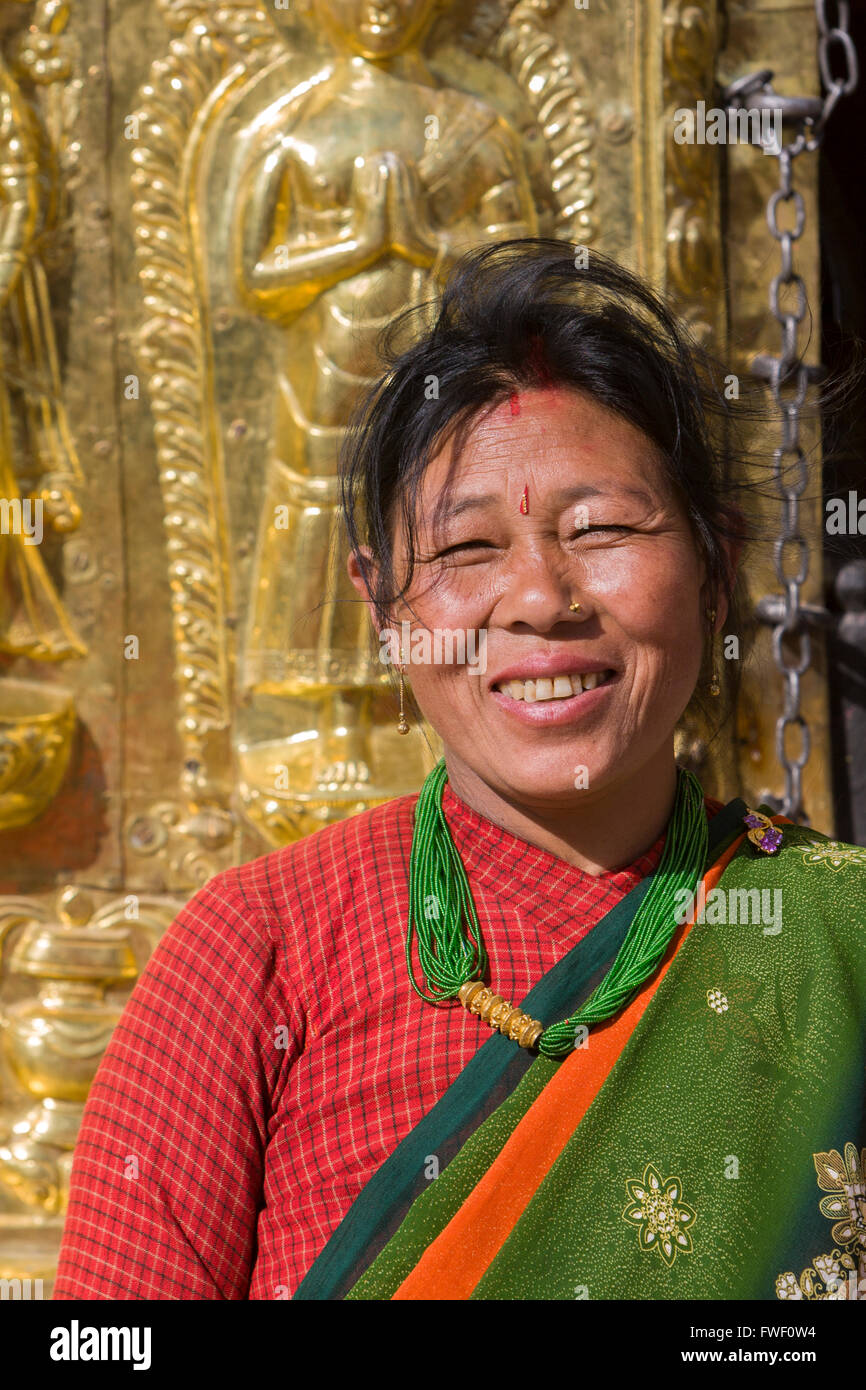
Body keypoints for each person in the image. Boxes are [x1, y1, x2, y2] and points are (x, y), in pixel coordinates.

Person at [54, 239, 866, 1301]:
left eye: (603, 527)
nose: (540, 597)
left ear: (715, 569)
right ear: (384, 611)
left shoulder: (835, 940)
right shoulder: (259, 955)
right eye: (464, 550)